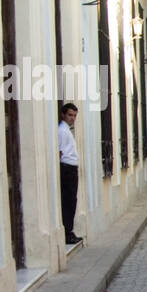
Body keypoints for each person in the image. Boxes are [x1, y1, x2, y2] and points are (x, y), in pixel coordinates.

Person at [58, 103, 82, 245]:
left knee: (72, 201)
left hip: (71, 168)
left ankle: (69, 230)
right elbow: (60, 151)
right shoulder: (62, 131)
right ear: (63, 115)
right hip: (67, 169)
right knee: (68, 201)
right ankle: (67, 232)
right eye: (70, 115)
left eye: (74, 116)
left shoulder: (67, 130)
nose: (72, 118)